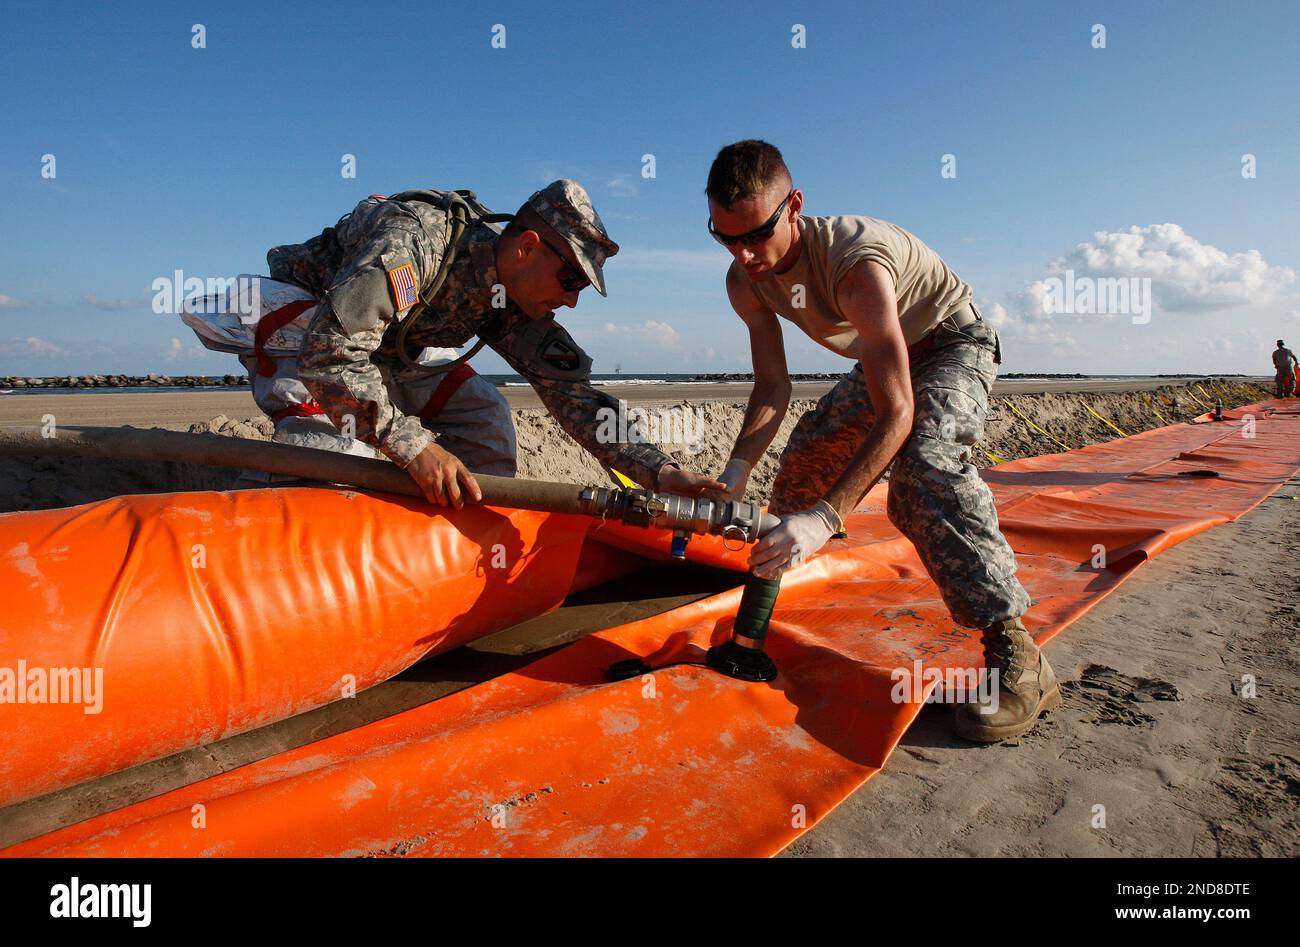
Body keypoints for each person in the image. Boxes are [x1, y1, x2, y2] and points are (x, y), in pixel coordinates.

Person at [704, 140, 1055, 742]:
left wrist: (822, 519)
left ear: (794, 207)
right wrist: (736, 473)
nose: (744, 254)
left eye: (757, 234)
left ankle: (1017, 657)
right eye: (724, 237)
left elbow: (898, 413)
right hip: (885, 355)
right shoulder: (745, 280)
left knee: (924, 469)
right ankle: (749, 634)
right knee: (807, 455)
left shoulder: (855, 264)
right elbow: (771, 387)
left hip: (950, 344)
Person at [260, 179, 721, 505]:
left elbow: (575, 398)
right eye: (569, 279)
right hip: (303, 328)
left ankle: (442, 536)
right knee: (336, 451)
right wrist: (415, 448)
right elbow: (329, 354)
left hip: (389, 350)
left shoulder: (514, 301)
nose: (571, 300)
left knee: (487, 418)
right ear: (527, 247)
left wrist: (660, 472)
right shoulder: (416, 243)